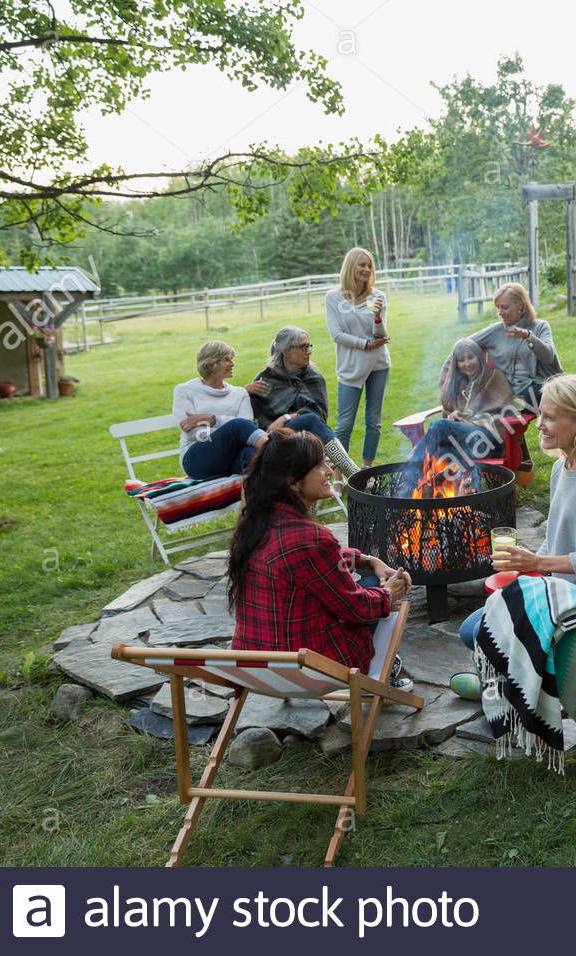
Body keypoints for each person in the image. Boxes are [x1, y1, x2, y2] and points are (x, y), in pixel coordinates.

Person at [455, 373, 576, 657]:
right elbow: (555, 537)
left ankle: (510, 687)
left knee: (480, 633)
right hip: (561, 591)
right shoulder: (561, 468)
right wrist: (527, 564)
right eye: (541, 414)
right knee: (471, 629)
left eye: (550, 418)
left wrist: (538, 562)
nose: (539, 425)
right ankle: (506, 681)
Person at [228, 428, 411, 673]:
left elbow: (311, 563)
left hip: (259, 665)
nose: (329, 470)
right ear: (293, 481)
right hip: (311, 666)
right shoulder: (312, 539)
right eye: (319, 465)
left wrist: (367, 560)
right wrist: (389, 594)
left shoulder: (256, 524)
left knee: (368, 575)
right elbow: (355, 608)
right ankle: (386, 671)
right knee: (371, 587)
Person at [172, 339, 359, 481]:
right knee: (239, 426)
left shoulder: (240, 394)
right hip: (199, 458)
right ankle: (291, 453)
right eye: (226, 360)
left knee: (308, 419)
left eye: (232, 359)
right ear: (211, 363)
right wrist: (220, 424)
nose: (232, 363)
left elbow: (246, 432)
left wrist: (211, 420)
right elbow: (193, 431)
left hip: (238, 458)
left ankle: (352, 474)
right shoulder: (185, 390)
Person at [469, 282, 562, 473]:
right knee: (488, 406)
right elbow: (465, 344)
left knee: (538, 394)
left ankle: (504, 456)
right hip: (510, 392)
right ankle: (496, 456)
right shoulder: (496, 330)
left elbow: (549, 356)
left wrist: (528, 336)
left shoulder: (540, 326)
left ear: (520, 304)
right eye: (497, 308)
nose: (500, 312)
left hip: (539, 388)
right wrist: (448, 370)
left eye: (504, 307)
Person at [408, 338, 517, 471]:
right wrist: (454, 418)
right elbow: (449, 415)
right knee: (438, 453)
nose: (467, 363)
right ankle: (414, 487)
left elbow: (504, 411)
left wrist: (465, 418)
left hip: (487, 441)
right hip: (464, 446)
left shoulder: (494, 377)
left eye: (471, 357)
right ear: (456, 364)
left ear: (479, 357)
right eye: (461, 360)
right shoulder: (457, 386)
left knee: (439, 425)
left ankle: (408, 469)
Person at [326, 247, 390, 467]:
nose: (366, 269)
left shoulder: (378, 296)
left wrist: (378, 317)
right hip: (350, 366)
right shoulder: (333, 297)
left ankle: (366, 470)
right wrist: (365, 344)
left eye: (369, 265)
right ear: (350, 266)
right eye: (361, 264)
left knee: (374, 421)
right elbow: (336, 335)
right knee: (344, 424)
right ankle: (339, 474)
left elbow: (381, 336)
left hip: (378, 364)